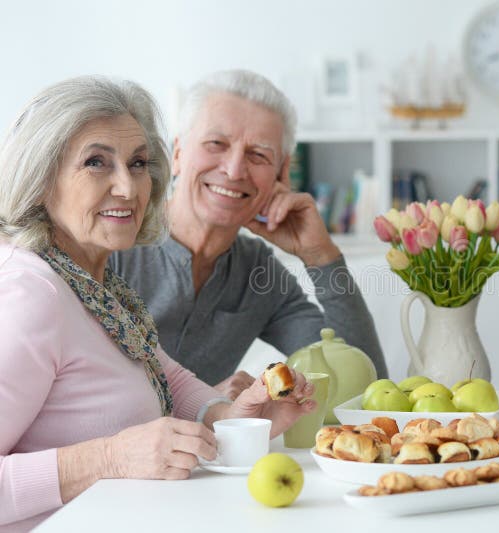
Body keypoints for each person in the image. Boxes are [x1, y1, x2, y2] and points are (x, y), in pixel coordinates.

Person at [0, 77, 315, 530]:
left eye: (138, 163)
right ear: (41, 177)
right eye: (96, 163)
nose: (128, 188)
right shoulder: (31, 294)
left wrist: (234, 416)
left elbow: (165, 377)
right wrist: (107, 457)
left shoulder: (95, 284)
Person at [109, 70, 387, 399]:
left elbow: (365, 384)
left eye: (258, 155)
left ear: (281, 173)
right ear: (179, 153)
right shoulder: (113, 242)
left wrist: (320, 255)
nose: (234, 169)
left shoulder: (259, 272)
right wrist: (206, 405)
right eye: (216, 144)